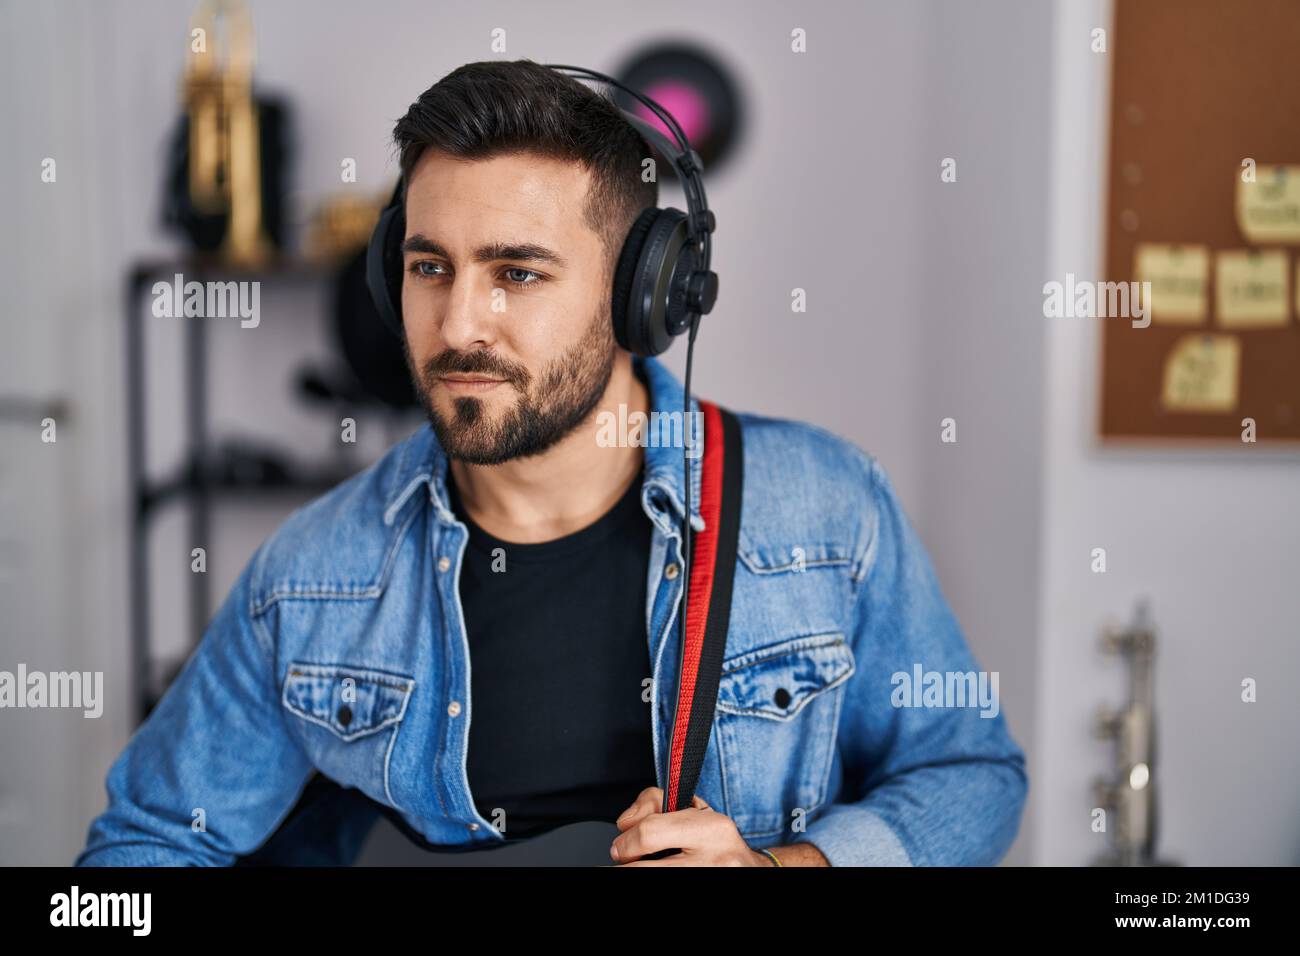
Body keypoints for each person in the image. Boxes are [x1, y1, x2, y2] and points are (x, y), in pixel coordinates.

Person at [77, 59, 1026, 867]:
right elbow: (147, 843)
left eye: (517, 273)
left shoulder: (825, 509)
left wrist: (799, 864)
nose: (455, 326)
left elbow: (970, 775)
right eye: (428, 266)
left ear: (643, 296)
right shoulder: (314, 575)